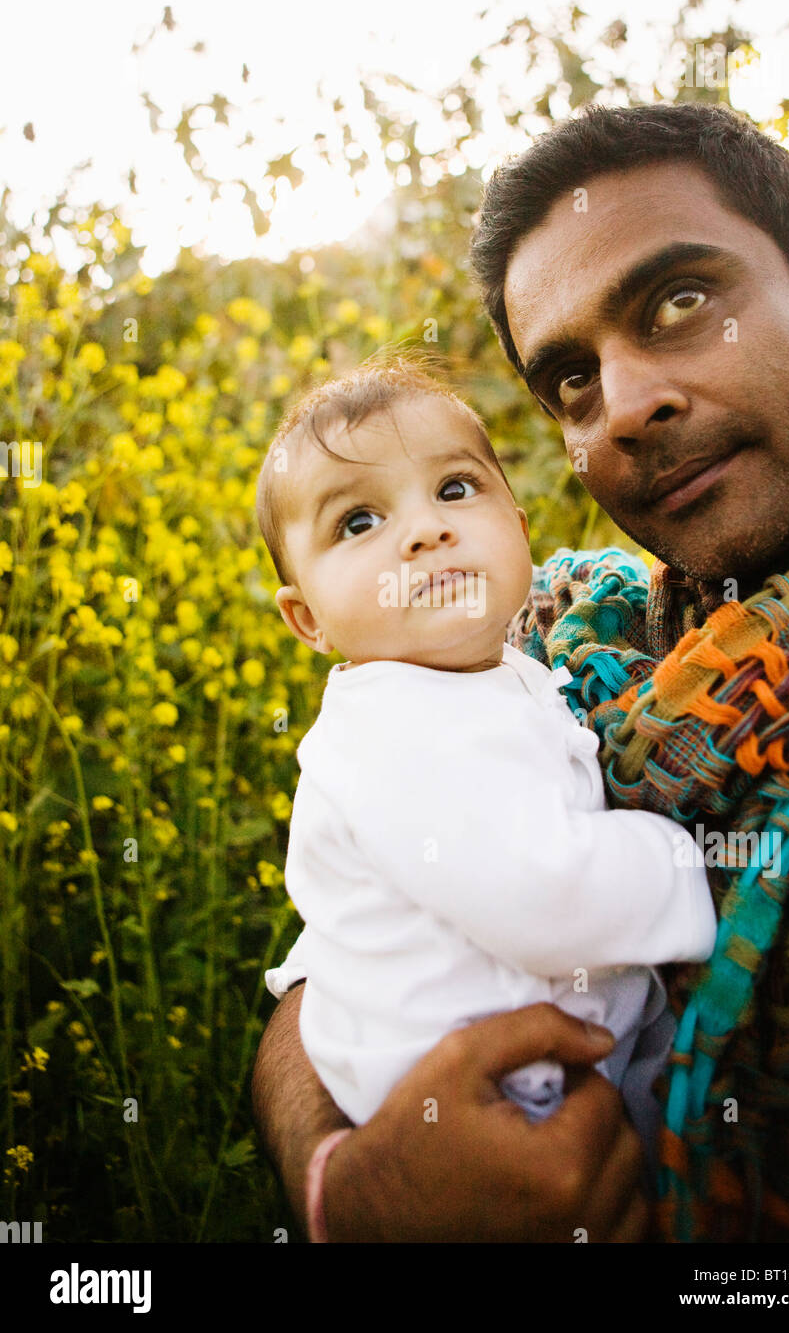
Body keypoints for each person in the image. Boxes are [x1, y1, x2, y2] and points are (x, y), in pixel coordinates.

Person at [252, 103, 789, 1242]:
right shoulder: (553, 637)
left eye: (682, 303)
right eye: (575, 378)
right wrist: (344, 1184)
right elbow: (318, 974)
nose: (627, 406)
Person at [255, 362, 715, 1180]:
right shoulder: (389, 728)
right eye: (358, 521)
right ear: (307, 618)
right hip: (494, 1119)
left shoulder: (499, 673)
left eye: (457, 490)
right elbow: (543, 890)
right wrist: (697, 863)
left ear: (522, 529)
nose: (425, 531)